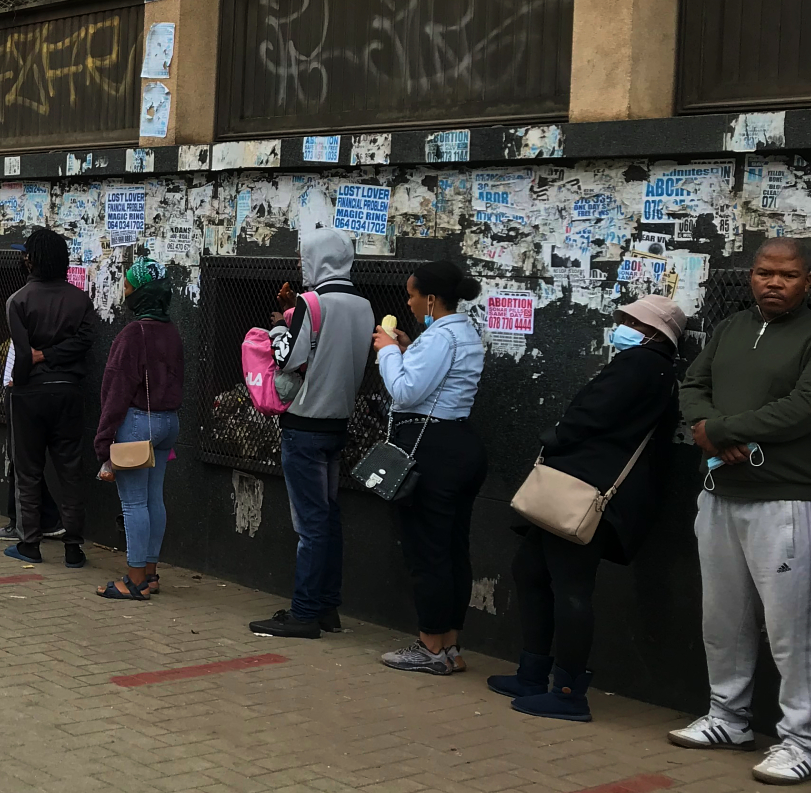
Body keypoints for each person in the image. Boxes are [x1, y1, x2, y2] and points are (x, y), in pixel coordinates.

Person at [671, 239, 811, 783]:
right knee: (722, 618)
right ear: (751, 277)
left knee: (793, 630)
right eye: (765, 273)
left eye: (788, 275)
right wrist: (708, 431)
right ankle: (728, 717)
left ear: (807, 282)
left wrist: (719, 430)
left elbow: (806, 407)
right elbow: (693, 385)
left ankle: (801, 741)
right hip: (720, 494)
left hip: (788, 499)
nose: (775, 282)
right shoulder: (729, 329)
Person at [492, 294, 684, 724]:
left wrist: (557, 435)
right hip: (583, 486)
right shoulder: (655, 369)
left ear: (652, 331)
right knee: (532, 569)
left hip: (587, 490)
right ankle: (532, 672)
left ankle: (566, 691)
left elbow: (596, 413)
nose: (621, 325)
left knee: (570, 585)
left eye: (630, 321)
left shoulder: (641, 364)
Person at [250, 229, 375, 638]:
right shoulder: (364, 306)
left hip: (304, 425)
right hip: (338, 423)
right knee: (328, 518)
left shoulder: (311, 302)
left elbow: (290, 359)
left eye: (305, 258)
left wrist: (276, 332)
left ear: (316, 260)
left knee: (309, 525)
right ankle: (326, 608)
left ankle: (304, 613)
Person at [372, 259, 487, 676]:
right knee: (453, 548)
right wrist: (406, 347)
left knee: (428, 551)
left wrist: (387, 353)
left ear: (432, 298)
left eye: (413, 294)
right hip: (459, 445)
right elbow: (436, 380)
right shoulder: (459, 332)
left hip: (432, 448)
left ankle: (430, 647)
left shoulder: (442, 338)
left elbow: (405, 389)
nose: (409, 301)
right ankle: (450, 644)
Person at [1, 228, 94, 567]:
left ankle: (30, 544)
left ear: (32, 260)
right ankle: (73, 547)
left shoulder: (18, 301)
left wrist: (24, 379)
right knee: (70, 470)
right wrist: (56, 356)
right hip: (69, 391)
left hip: (29, 394)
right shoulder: (80, 299)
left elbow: (23, 356)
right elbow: (85, 342)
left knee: (28, 471)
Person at [91, 258, 184, 600]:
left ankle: (134, 581)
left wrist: (104, 444)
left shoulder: (133, 333)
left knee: (133, 504)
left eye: (128, 286)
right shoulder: (171, 330)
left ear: (141, 293)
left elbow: (116, 390)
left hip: (136, 423)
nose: (124, 291)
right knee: (153, 499)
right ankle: (151, 573)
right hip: (167, 422)